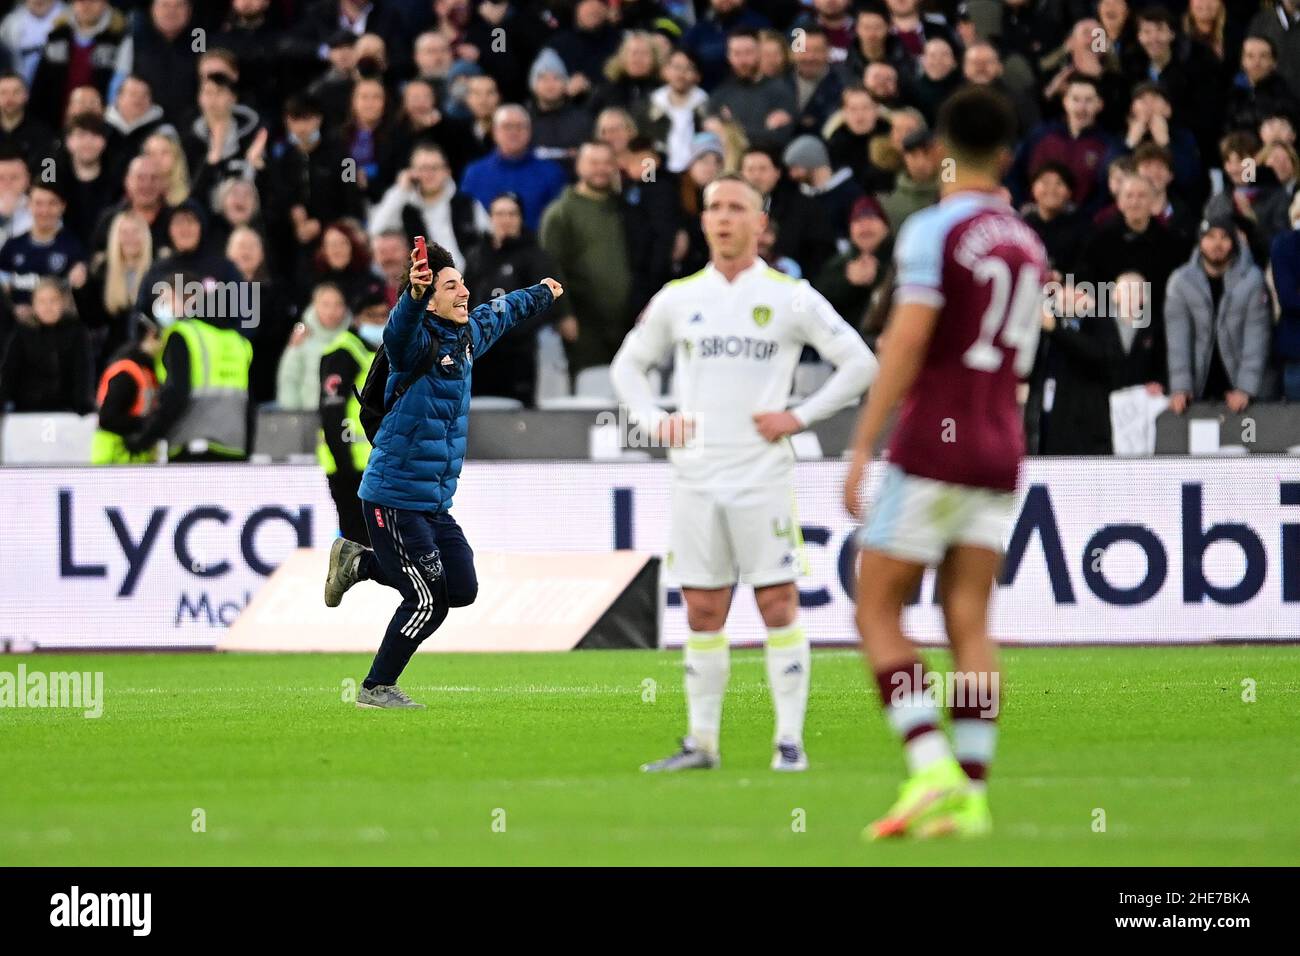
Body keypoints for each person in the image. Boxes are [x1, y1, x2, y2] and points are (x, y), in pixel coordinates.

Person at [610, 173, 878, 773]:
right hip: (696, 476)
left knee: (778, 601)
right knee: (703, 609)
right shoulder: (679, 297)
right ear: (703, 221)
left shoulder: (792, 295)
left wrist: (799, 416)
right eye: (714, 208)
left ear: (761, 222)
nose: (723, 217)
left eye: (737, 207)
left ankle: (789, 743)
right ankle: (701, 743)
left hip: (762, 475)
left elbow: (860, 362)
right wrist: (655, 420)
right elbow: (628, 367)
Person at [843, 86, 1048, 839]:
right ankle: (974, 794)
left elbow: (907, 339)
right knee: (969, 617)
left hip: (935, 441)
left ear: (941, 150)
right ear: (1010, 154)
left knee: (876, 608)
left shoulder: (935, 228)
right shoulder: (1028, 240)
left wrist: (864, 443)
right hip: (1001, 444)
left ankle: (928, 765)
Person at [321, 240, 563, 709]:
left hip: (432, 502)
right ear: (430, 296)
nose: (464, 292)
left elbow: (503, 311)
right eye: (452, 285)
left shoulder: (466, 336)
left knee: (461, 587)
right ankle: (375, 687)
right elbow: (398, 330)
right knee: (428, 601)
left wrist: (541, 293)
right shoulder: (413, 345)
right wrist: (411, 298)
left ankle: (359, 563)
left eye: (463, 282)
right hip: (393, 496)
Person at [128, 270, 253, 462]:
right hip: (234, 448)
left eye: (167, 299)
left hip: (191, 446)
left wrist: (144, 439)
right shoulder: (237, 341)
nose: (161, 307)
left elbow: (176, 395)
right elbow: (248, 401)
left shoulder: (183, 336)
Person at [1165, 217, 1274, 413]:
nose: (1217, 244)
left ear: (1234, 242)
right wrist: (1181, 387)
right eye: (1210, 237)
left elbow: (1256, 339)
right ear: (1200, 241)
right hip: (1198, 388)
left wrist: (1245, 389)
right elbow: (1177, 342)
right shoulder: (1180, 282)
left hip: (1241, 390)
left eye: (1224, 237)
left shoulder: (1252, 280)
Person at [317, 290, 387, 544]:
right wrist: (344, 464)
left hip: (374, 464)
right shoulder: (344, 353)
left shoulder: (376, 352)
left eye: (384, 316)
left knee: (378, 541)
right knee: (358, 540)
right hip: (349, 465)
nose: (379, 322)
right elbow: (332, 411)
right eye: (372, 316)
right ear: (357, 319)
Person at [90, 315, 160, 464]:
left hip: (131, 460)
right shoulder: (127, 372)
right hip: (115, 459)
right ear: (151, 336)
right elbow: (107, 419)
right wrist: (148, 424)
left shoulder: (145, 370)